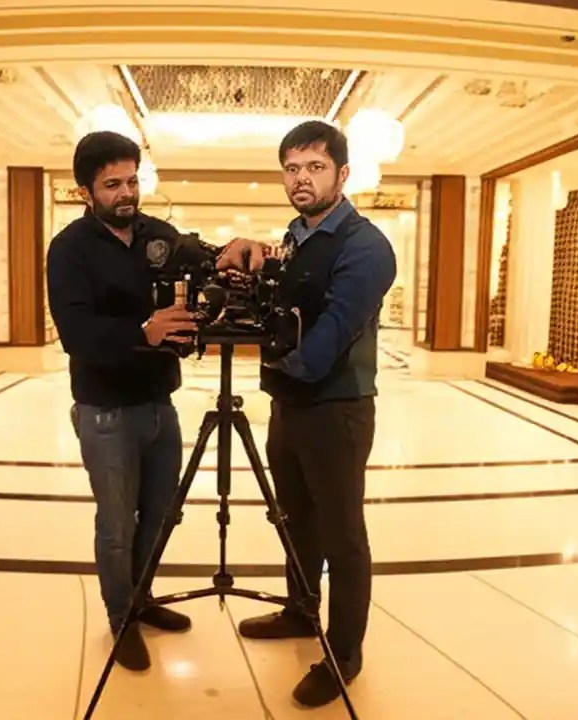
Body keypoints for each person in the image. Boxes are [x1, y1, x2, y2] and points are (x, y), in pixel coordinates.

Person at [45, 130, 261, 672]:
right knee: (116, 526)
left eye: (132, 180)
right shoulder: (69, 249)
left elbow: (203, 254)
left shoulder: (154, 236)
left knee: (162, 515)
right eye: (112, 184)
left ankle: (142, 598)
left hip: (160, 406)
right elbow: (77, 334)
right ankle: (122, 618)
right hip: (105, 411)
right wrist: (145, 328)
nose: (126, 193)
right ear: (85, 192)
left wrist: (231, 248)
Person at [235, 120, 397, 707]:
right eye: (292, 168)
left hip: (338, 410)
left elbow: (327, 339)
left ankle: (343, 653)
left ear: (342, 174)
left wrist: (256, 348)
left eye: (315, 167)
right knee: (295, 519)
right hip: (289, 405)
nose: (302, 179)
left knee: (342, 533)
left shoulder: (367, 246)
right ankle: (300, 613)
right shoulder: (296, 236)